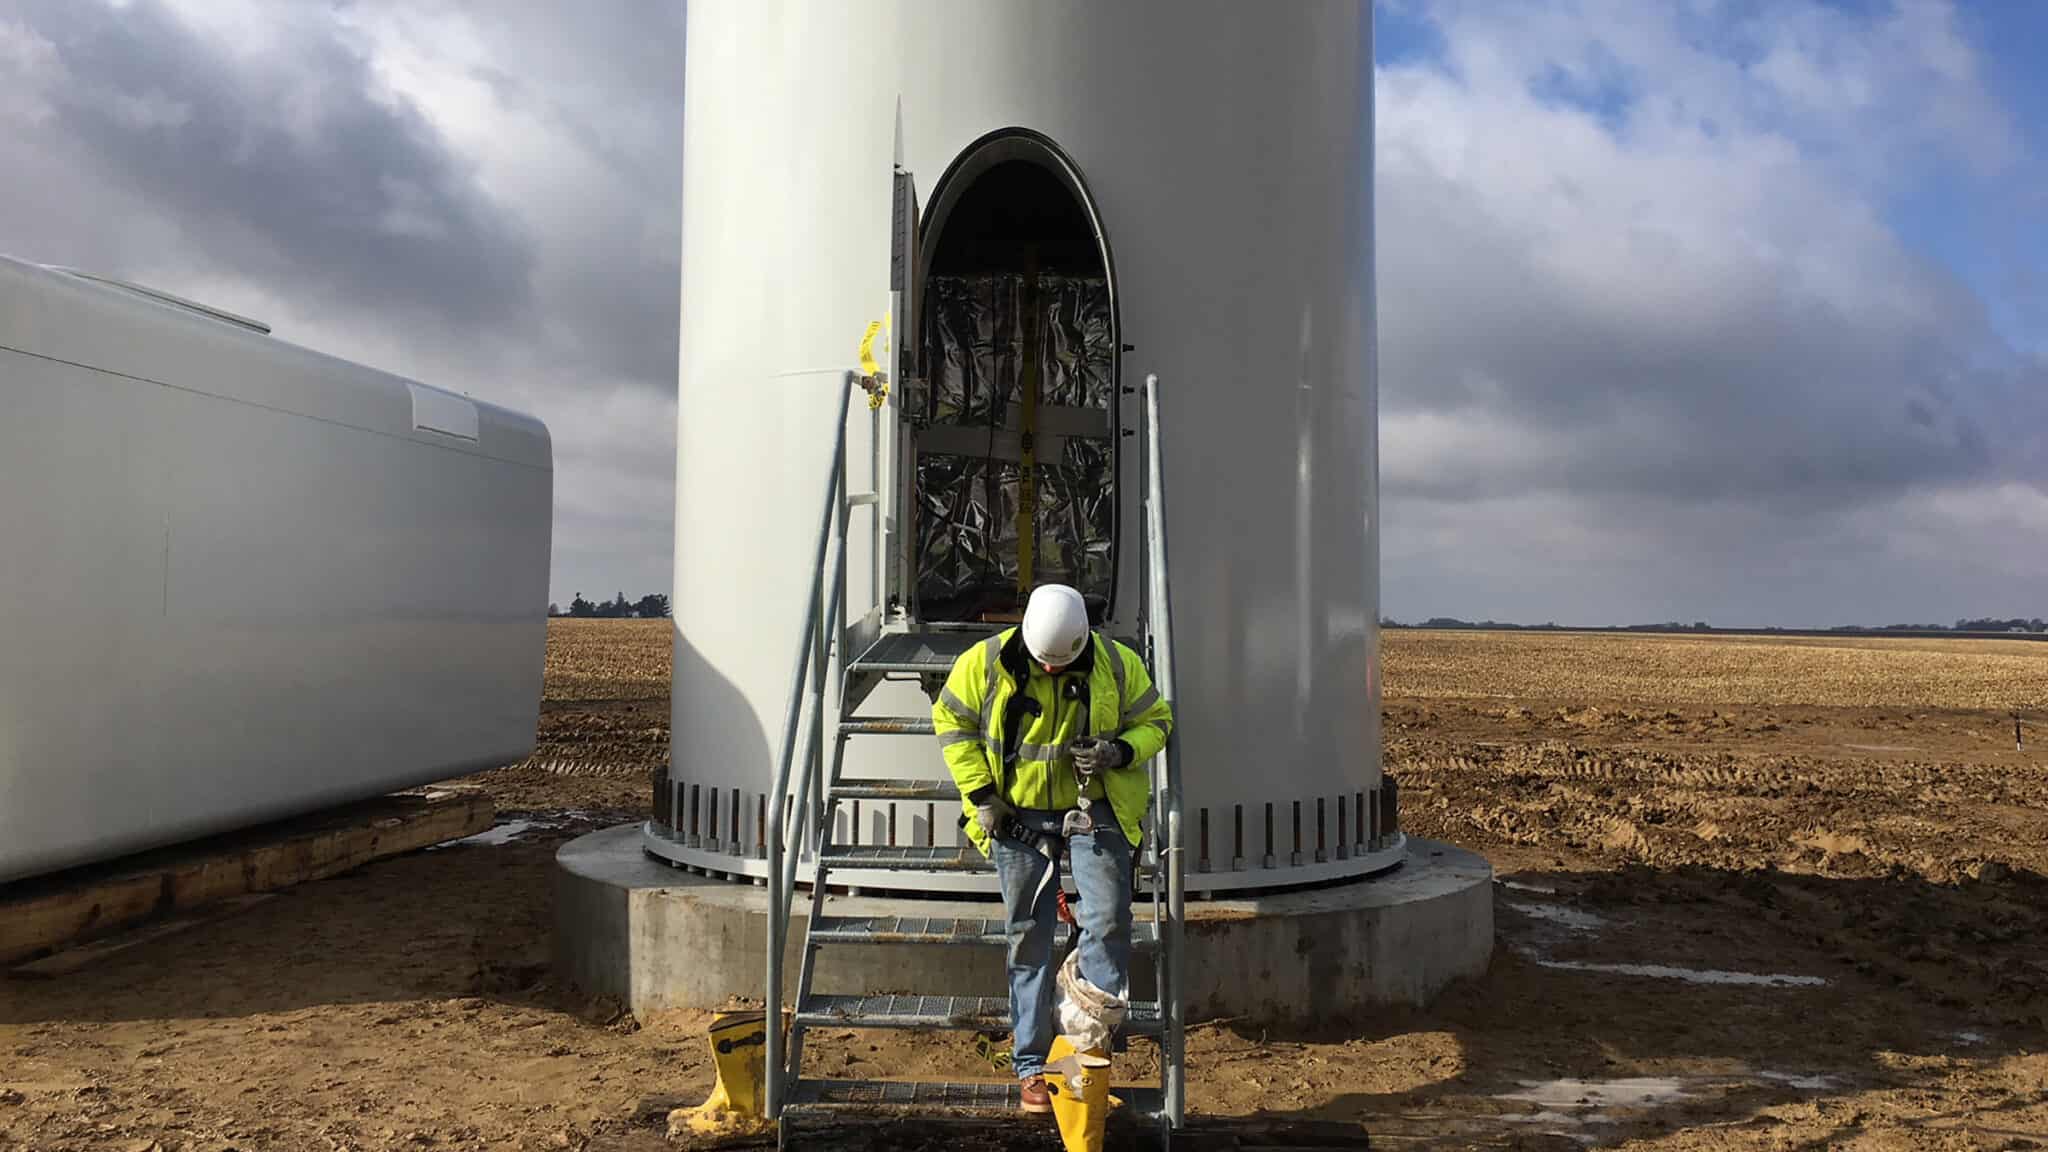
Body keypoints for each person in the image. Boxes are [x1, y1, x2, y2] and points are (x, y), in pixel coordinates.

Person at [931, 583, 1174, 1114]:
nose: (1049, 674)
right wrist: (981, 796)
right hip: (1016, 814)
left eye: (1059, 667)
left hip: (1096, 805)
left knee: (1108, 921)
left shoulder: (1116, 663)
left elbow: (1158, 721)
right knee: (1029, 935)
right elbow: (950, 722)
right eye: (1042, 664)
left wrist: (1119, 751)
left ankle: (1088, 1060)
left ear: (1083, 643)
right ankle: (1032, 1065)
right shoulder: (985, 663)